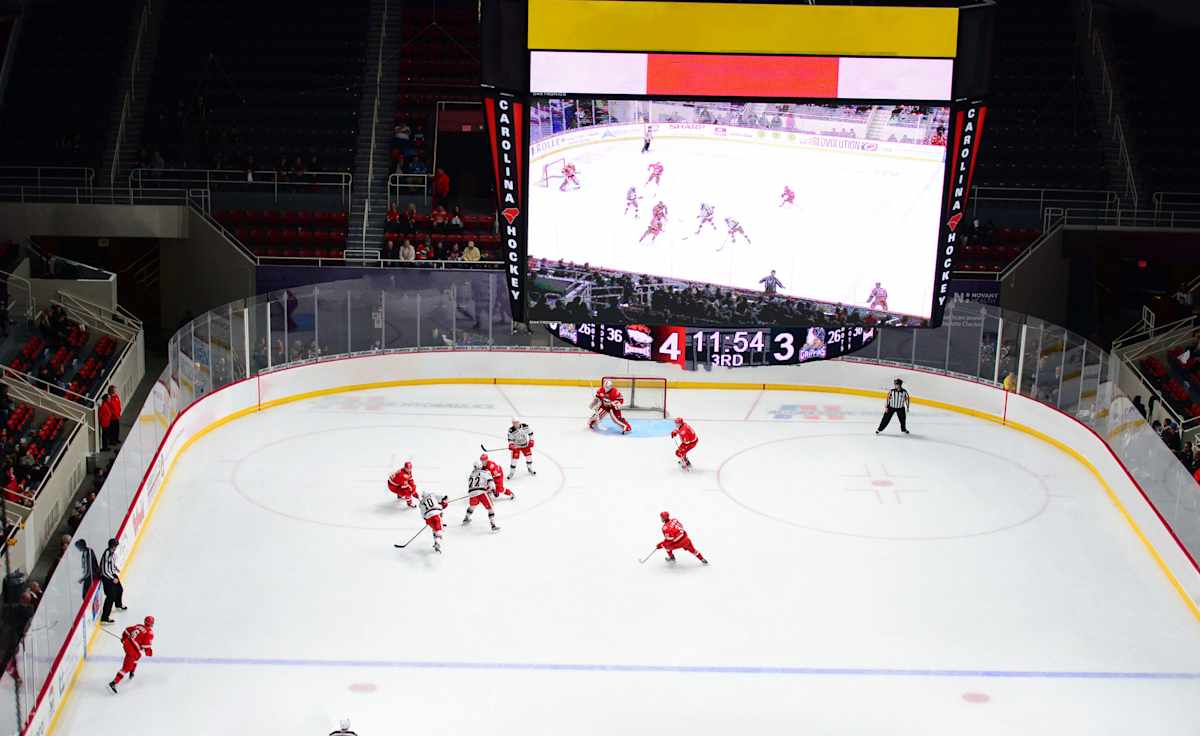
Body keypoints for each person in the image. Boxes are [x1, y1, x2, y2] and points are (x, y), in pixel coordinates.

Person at [108, 616, 154, 692]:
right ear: (151, 623)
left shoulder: (138, 626)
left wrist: (124, 638)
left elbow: (127, 630)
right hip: (132, 649)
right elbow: (146, 646)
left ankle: (132, 672)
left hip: (127, 643)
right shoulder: (149, 632)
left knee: (138, 655)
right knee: (126, 667)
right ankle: (113, 683)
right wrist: (149, 653)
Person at [462, 461, 499, 532]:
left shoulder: (471, 474)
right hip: (481, 492)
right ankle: (493, 525)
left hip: (472, 493)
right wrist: (494, 490)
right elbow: (490, 481)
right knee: (490, 508)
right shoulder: (484, 472)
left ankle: (466, 518)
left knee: (472, 506)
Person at [99, 538, 126, 623]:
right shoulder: (107, 554)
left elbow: (111, 565)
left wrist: (115, 569)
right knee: (110, 597)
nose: (116, 548)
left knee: (120, 590)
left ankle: (118, 605)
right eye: (115, 546)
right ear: (112, 546)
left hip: (112, 574)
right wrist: (112, 578)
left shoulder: (112, 553)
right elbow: (104, 570)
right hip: (107, 577)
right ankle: (104, 617)